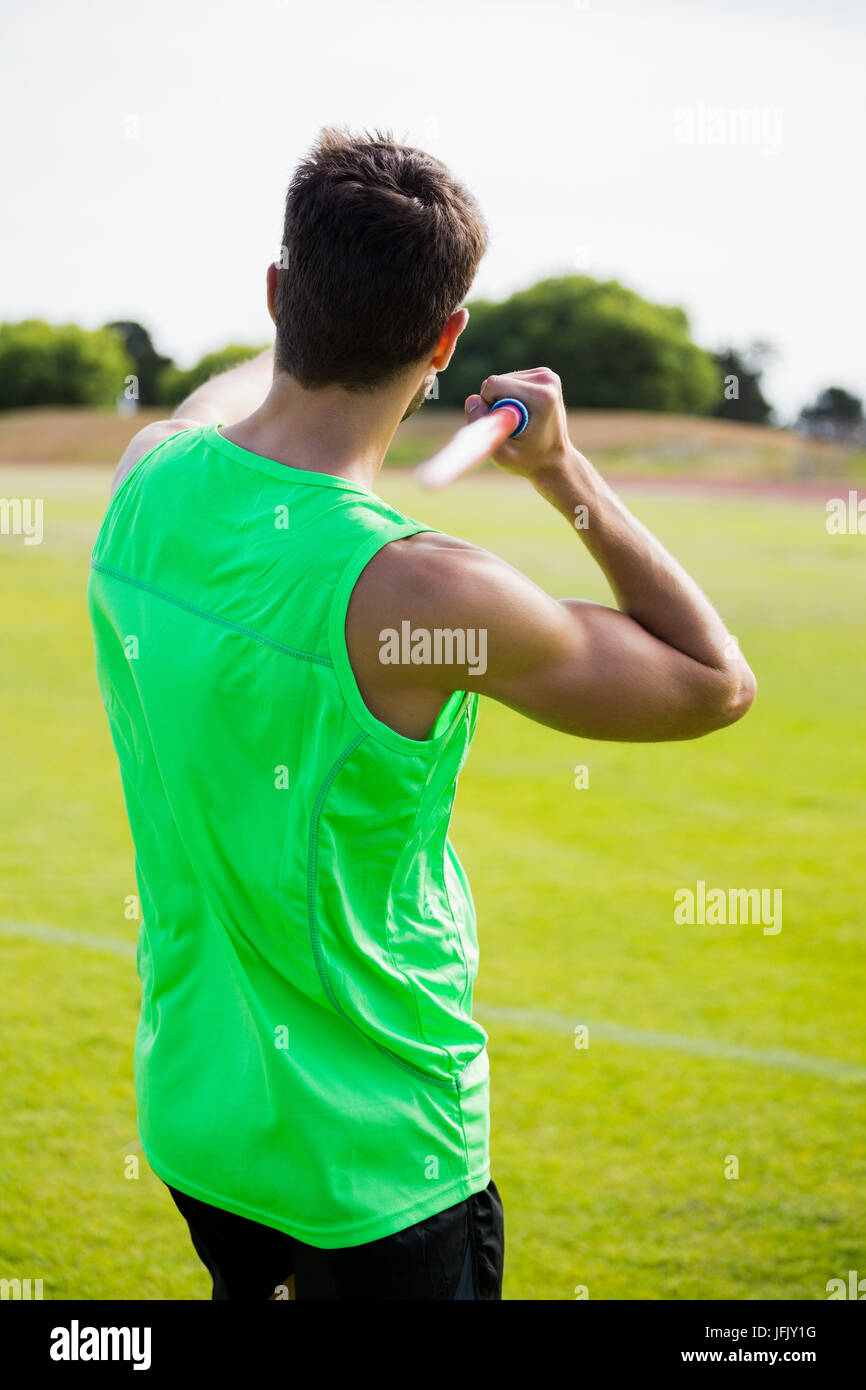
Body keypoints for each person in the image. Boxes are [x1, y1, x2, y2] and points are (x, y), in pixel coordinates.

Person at [87, 126, 756, 1302]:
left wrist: (316, 310)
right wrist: (562, 474)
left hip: (200, 1119)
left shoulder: (148, 475)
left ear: (275, 293)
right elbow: (712, 683)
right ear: (446, 341)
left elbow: (227, 397)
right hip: (377, 1158)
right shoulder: (420, 590)